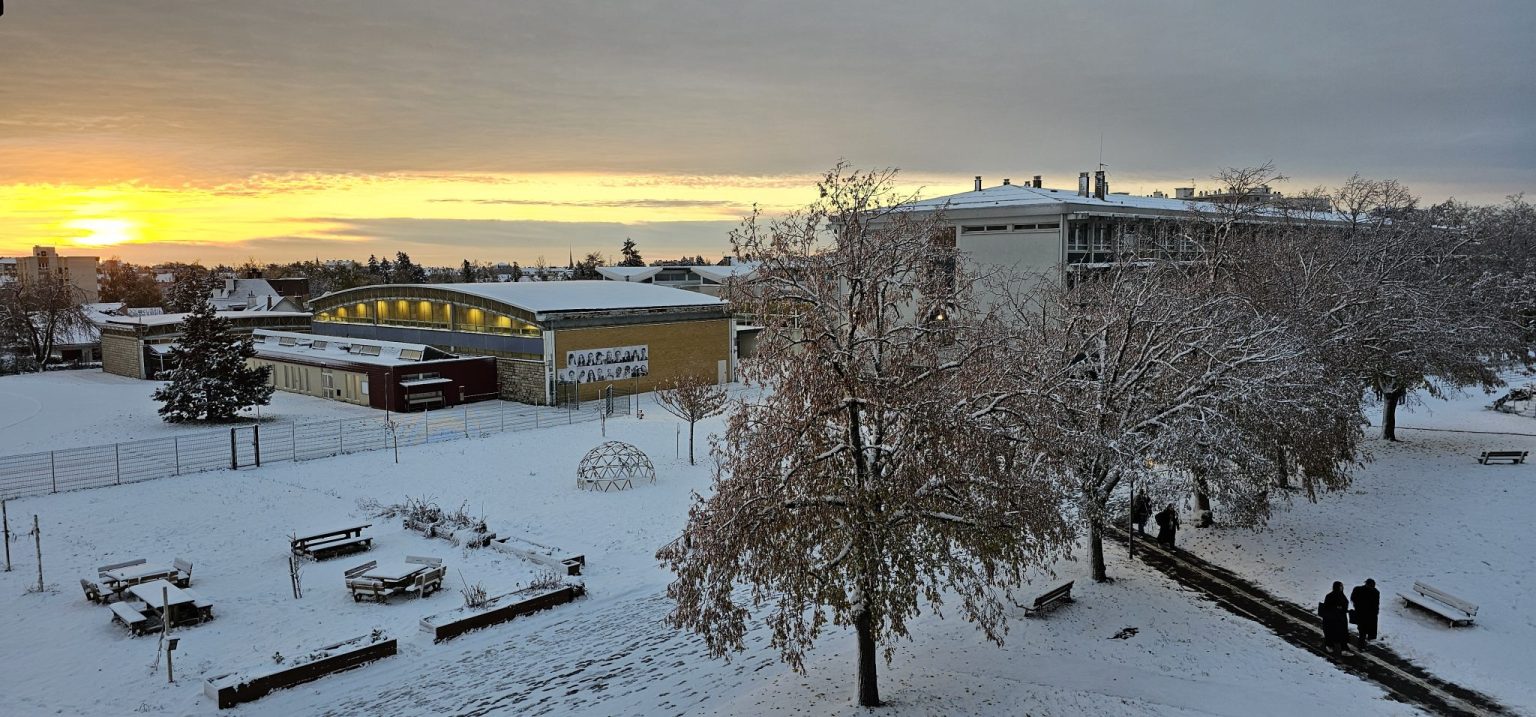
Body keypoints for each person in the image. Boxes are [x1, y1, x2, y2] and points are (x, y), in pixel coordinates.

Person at [1320, 581, 1352, 654]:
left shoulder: (1340, 595)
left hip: (1338, 619)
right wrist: (1337, 608)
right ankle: (1331, 646)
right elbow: (1327, 607)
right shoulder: (1331, 596)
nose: (1341, 588)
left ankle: (1343, 649)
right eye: (1340, 586)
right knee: (1333, 633)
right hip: (1333, 619)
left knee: (1341, 633)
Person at [1350, 578, 1380, 648]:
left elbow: (1353, 599)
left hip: (1362, 613)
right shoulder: (1375, 592)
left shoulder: (1358, 589)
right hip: (1368, 615)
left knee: (1362, 630)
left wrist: (1357, 606)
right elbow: (1376, 605)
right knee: (1364, 630)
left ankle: (1362, 644)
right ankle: (1361, 645)